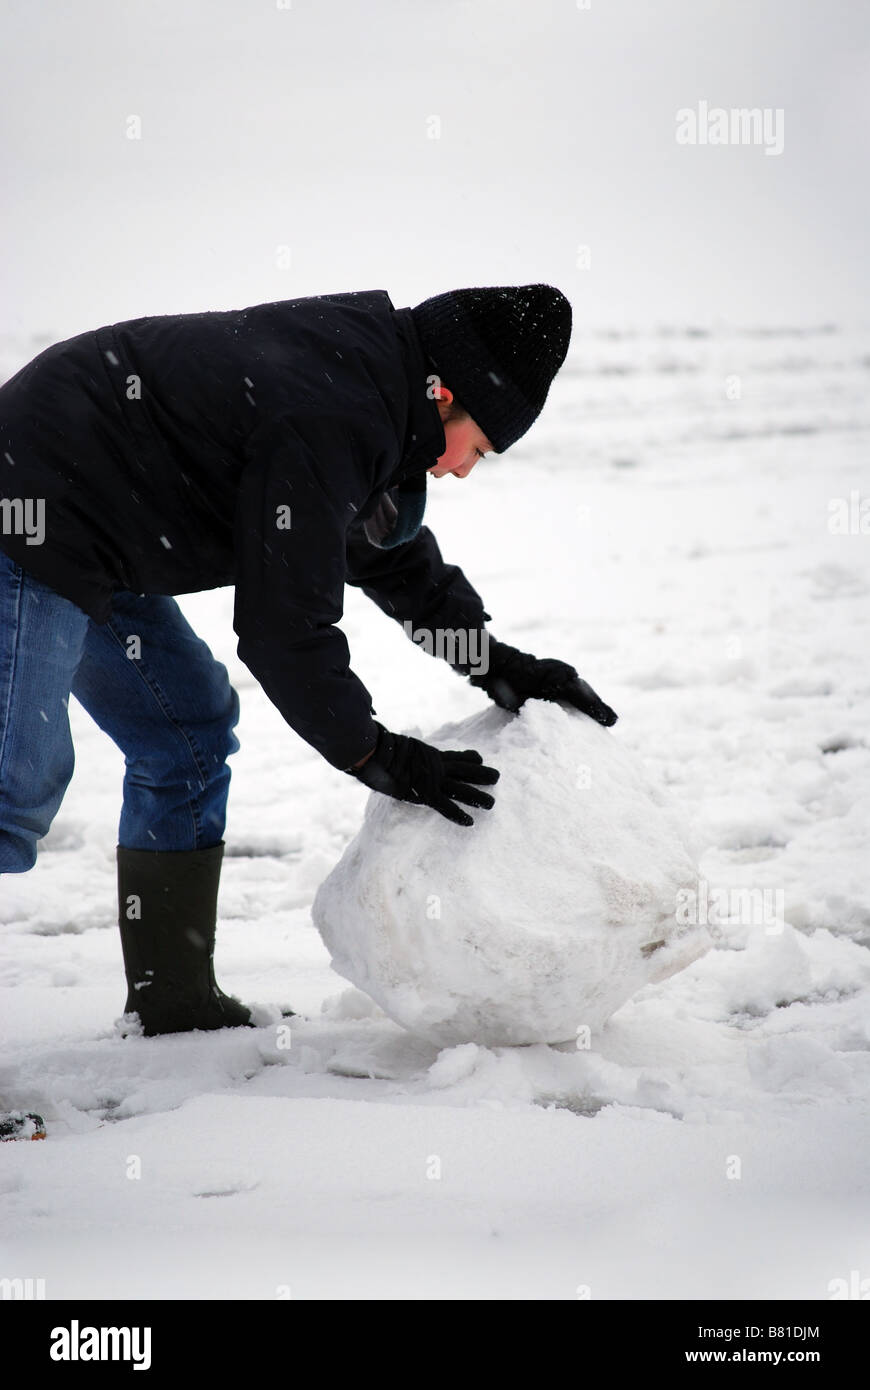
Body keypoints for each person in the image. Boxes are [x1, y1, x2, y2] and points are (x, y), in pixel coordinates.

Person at [0, 282, 617, 1048]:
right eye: (480, 449)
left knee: (185, 732)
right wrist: (376, 754)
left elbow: (378, 551)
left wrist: (494, 663)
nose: (463, 471)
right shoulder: (338, 410)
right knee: (11, 782)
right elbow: (283, 628)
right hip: (29, 502)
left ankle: (176, 1001)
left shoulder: (377, 385)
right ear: (448, 393)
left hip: (98, 528)